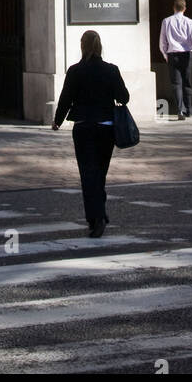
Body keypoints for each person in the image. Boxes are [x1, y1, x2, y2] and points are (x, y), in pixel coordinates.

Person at [52, 31, 129, 239]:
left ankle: (96, 218)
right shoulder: (111, 70)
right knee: (100, 173)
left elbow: (65, 98)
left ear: (82, 46)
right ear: (100, 46)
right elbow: (124, 97)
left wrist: (57, 121)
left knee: (88, 174)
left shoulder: (75, 71)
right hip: (105, 127)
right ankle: (98, 215)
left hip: (84, 126)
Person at [159, 0, 192, 120]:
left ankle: (180, 109)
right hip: (186, 54)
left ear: (173, 7)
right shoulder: (189, 22)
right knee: (187, 82)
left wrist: (165, 55)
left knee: (176, 83)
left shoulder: (166, 21)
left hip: (172, 54)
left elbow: (162, 42)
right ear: (184, 8)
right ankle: (189, 110)